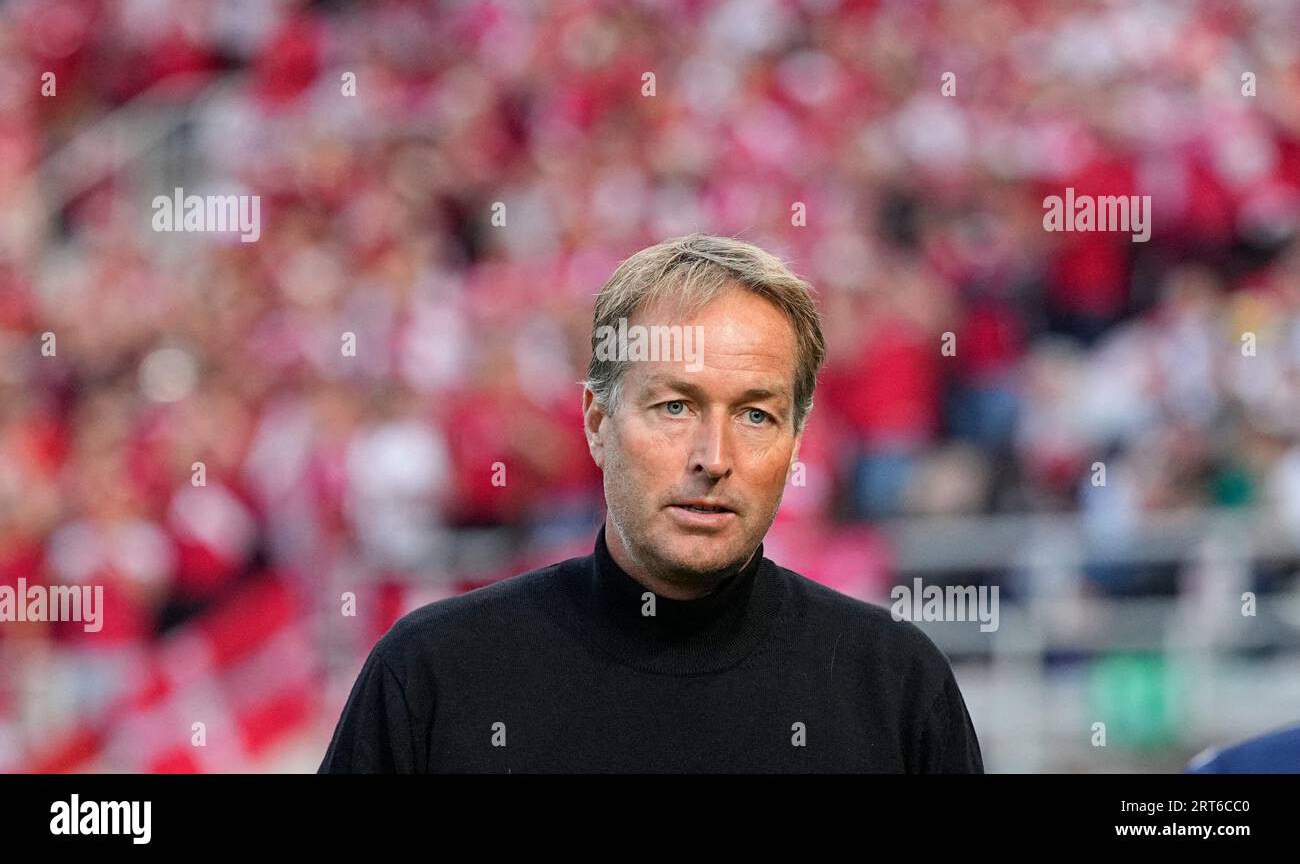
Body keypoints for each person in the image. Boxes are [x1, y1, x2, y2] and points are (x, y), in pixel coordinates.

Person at [318, 233, 984, 773]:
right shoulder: (433, 675)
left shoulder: (895, 688)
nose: (713, 456)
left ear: (796, 441)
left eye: (756, 415)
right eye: (674, 406)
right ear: (597, 422)